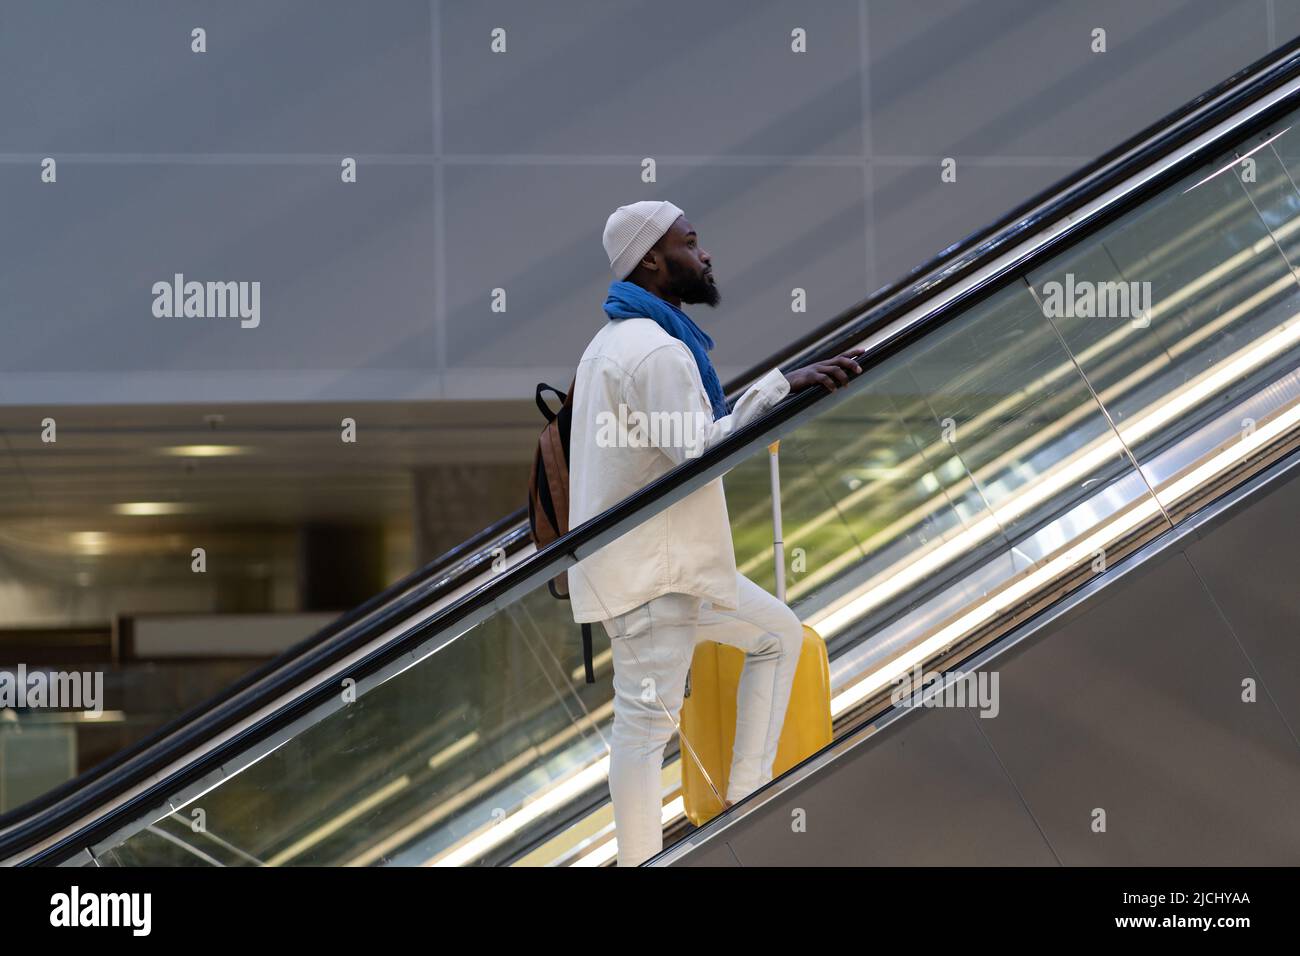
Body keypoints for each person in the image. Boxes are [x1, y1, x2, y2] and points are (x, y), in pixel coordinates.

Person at [567, 200, 866, 866]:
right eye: (691, 242)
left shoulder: (616, 344)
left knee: (776, 635)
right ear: (651, 258)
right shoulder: (651, 349)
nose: (705, 256)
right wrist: (779, 389)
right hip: (654, 577)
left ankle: (747, 802)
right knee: (643, 729)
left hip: (667, 569)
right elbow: (697, 450)